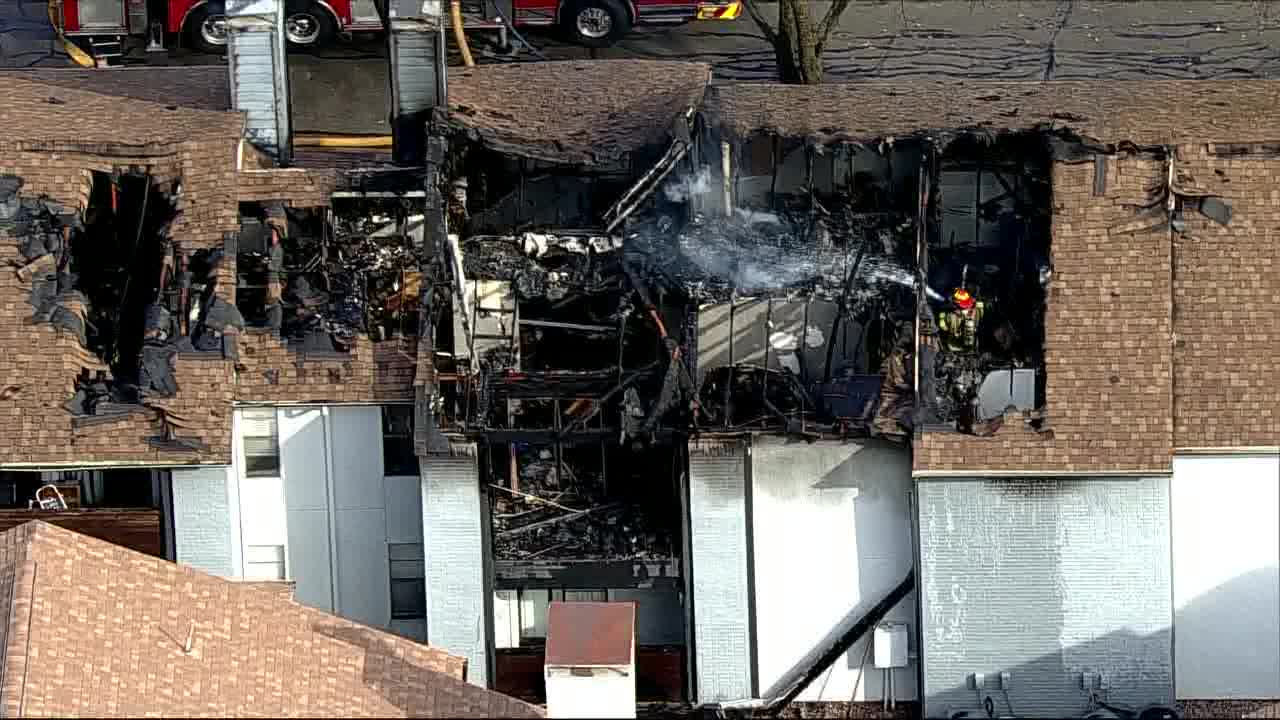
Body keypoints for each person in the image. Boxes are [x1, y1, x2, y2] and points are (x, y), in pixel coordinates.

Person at [937, 287, 984, 353]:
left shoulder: (948, 315)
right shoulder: (977, 311)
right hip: (972, 347)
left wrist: (942, 316)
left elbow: (944, 328)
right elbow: (980, 319)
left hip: (953, 346)